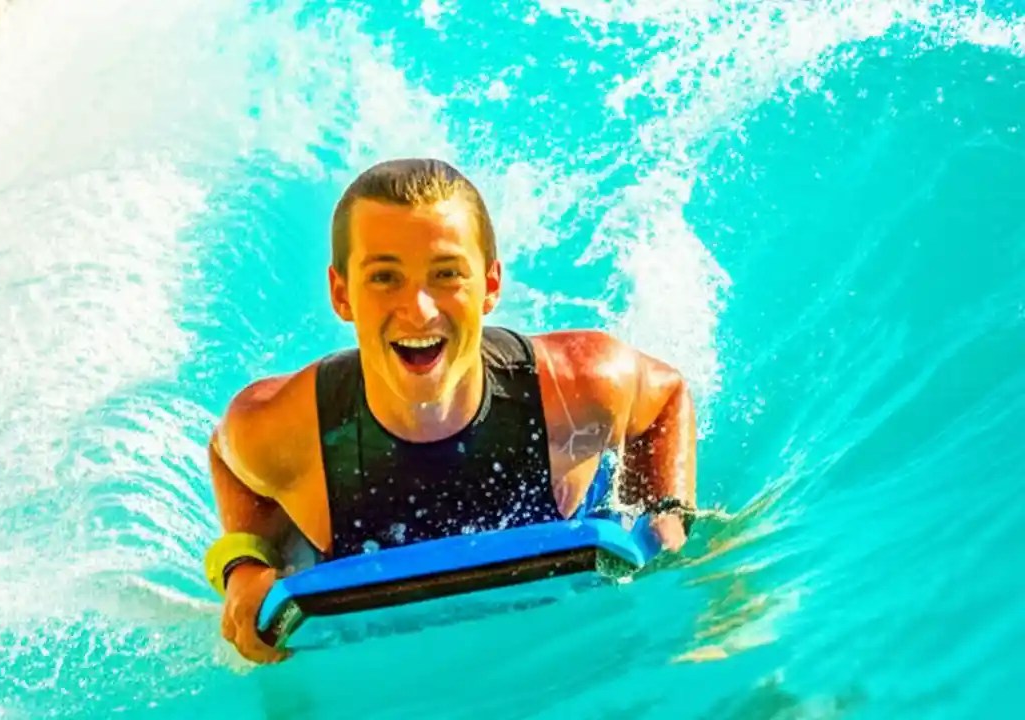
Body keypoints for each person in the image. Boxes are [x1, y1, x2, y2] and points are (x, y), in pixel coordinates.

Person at [204, 158, 697, 664]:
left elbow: (664, 398)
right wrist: (246, 563)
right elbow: (227, 455)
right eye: (384, 278)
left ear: (490, 286)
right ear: (341, 293)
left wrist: (665, 512)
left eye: (446, 274)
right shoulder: (287, 429)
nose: (419, 309)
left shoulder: (578, 388)